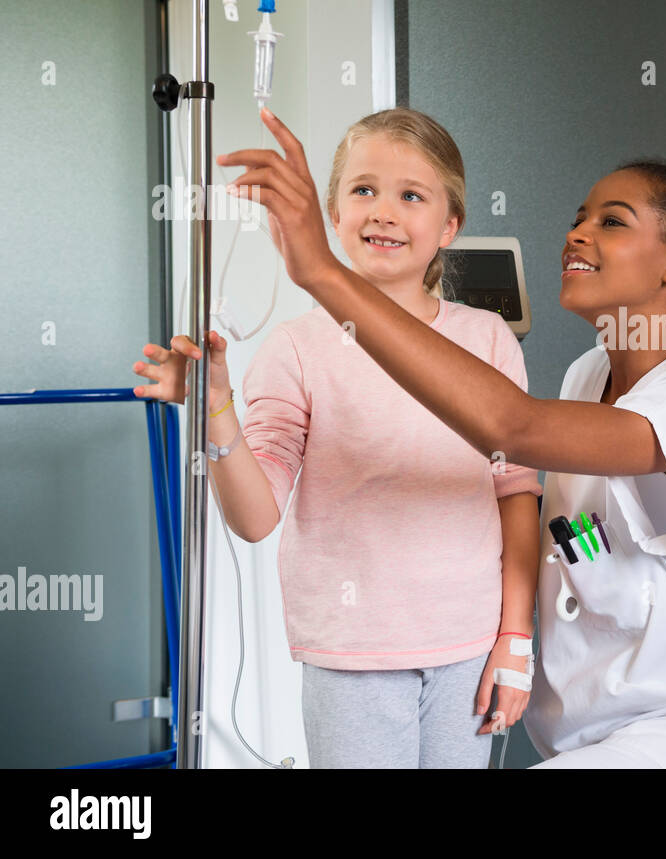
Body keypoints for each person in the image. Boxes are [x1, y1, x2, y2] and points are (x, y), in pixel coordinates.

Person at [220, 105, 666, 768]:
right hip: (578, 733)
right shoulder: (587, 375)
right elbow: (583, 531)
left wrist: (321, 272)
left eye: (612, 222)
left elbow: (511, 428)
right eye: (579, 217)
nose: (576, 234)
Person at [132, 108, 540, 768]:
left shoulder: (486, 339)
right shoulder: (296, 348)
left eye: (411, 195)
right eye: (363, 189)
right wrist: (215, 408)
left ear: (449, 226)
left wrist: (515, 639)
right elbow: (256, 517)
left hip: (468, 648)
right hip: (353, 657)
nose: (384, 211)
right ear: (331, 212)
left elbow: (517, 492)